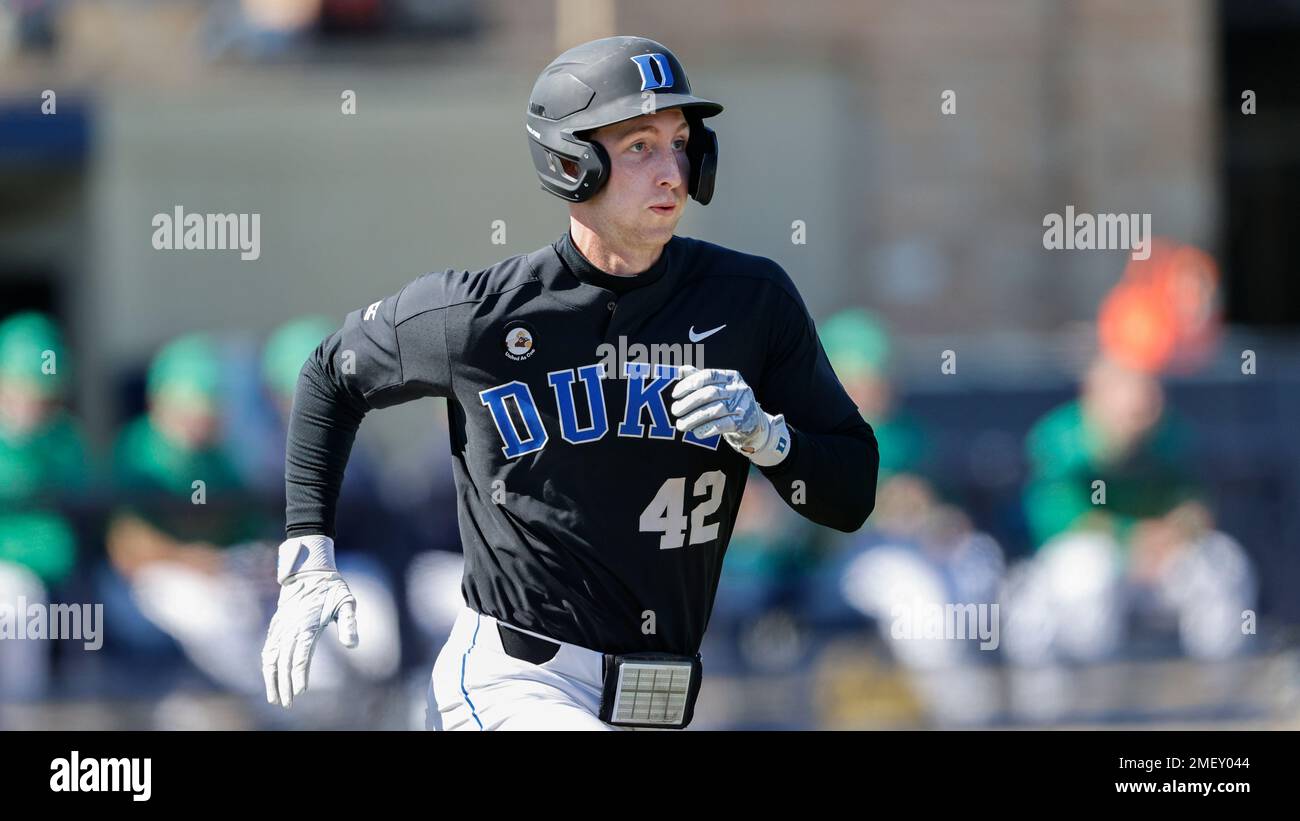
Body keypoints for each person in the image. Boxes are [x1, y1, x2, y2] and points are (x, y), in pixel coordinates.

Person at [261, 35, 879, 730]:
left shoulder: (750, 299)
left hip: (660, 696)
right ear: (569, 159)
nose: (672, 169)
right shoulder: (484, 314)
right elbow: (328, 374)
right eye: (640, 145)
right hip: (514, 683)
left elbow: (851, 493)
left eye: (680, 142)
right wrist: (307, 555)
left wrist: (770, 438)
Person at [0, 312, 88, 699]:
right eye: (20, 391)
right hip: (19, 587)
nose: (30, 407)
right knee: (18, 597)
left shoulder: (65, 438)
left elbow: (70, 537)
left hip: (58, 588)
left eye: (43, 397)